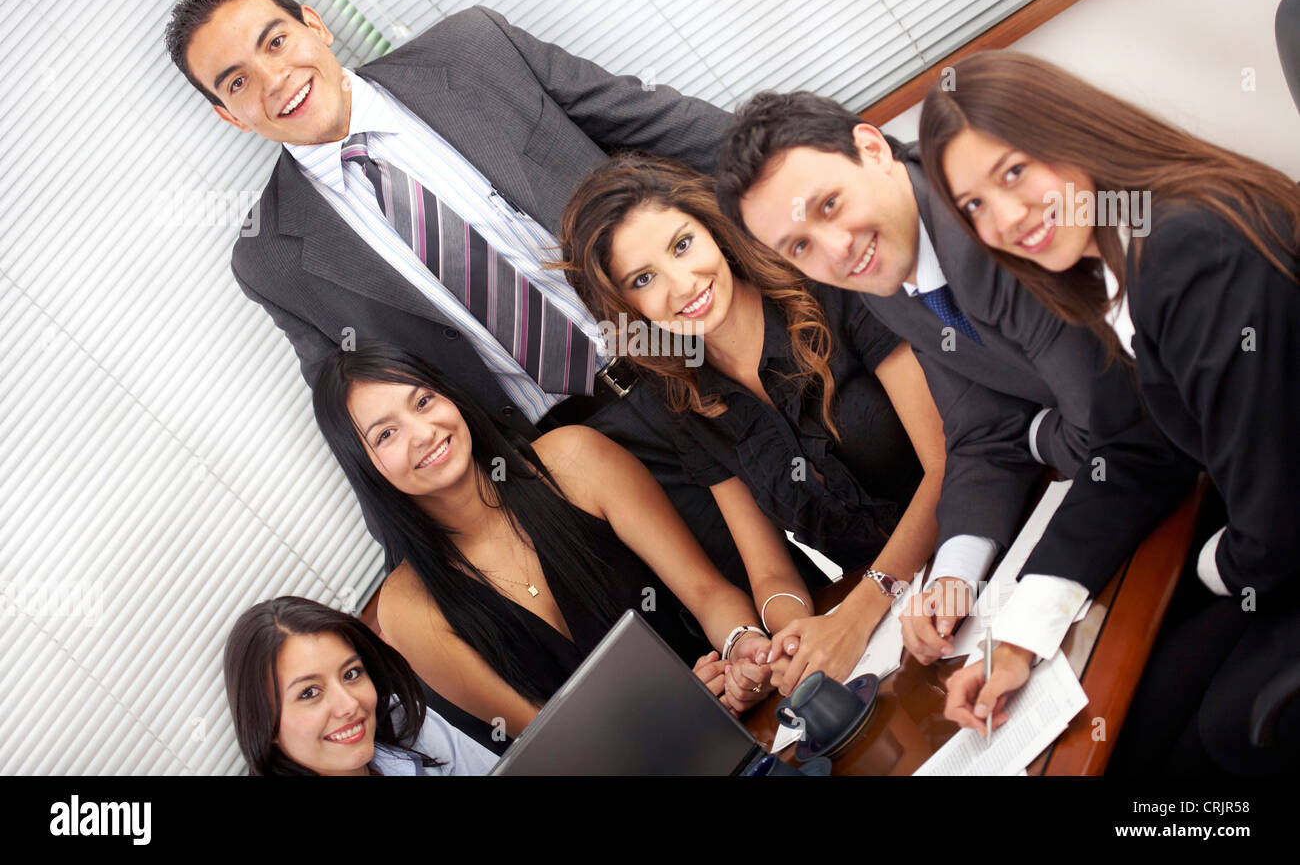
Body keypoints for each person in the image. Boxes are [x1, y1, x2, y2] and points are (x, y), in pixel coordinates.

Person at [164, 0, 737, 577]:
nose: (274, 79)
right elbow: (357, 416)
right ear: (230, 115)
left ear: (314, 23)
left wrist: (819, 168)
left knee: (841, 546)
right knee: (742, 638)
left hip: (693, 359)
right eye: (238, 81)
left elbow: (671, 129)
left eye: (274, 41)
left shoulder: (473, 51)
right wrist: (422, 578)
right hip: (567, 468)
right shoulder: (270, 258)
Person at [920, 50, 1299, 773]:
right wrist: (1018, 635)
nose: (1005, 219)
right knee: (1137, 715)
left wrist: (1210, 569)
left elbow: (1276, 530)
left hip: (1277, 545)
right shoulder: (1115, 257)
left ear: (1071, 132)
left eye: (1014, 172)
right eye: (973, 205)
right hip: (1269, 536)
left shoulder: (1188, 248)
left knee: (1199, 741)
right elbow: (1135, 450)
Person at [713, 91, 1107, 663]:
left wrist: (1033, 435)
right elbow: (980, 432)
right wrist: (952, 578)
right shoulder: (887, 280)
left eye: (829, 206)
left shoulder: (979, 216)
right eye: (801, 246)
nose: (838, 250)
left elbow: (1104, 438)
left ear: (872, 150)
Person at [557, 153, 947, 695]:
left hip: (978, 546)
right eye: (644, 278)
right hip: (889, 626)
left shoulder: (828, 285)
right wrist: (783, 640)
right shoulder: (686, 401)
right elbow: (770, 574)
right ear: (626, 306)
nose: (681, 283)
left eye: (682, 244)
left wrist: (861, 610)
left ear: (713, 228)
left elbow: (948, 464)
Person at [312, 341, 774, 748]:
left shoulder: (575, 458)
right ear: (366, 466)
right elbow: (551, 744)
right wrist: (672, 719)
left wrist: (743, 647)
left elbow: (708, 594)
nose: (424, 432)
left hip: (743, 716)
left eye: (424, 400)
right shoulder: (407, 606)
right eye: (386, 434)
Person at [223, 595, 497, 775]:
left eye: (351, 674)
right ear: (264, 723)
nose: (350, 704)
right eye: (309, 693)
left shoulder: (402, 721)